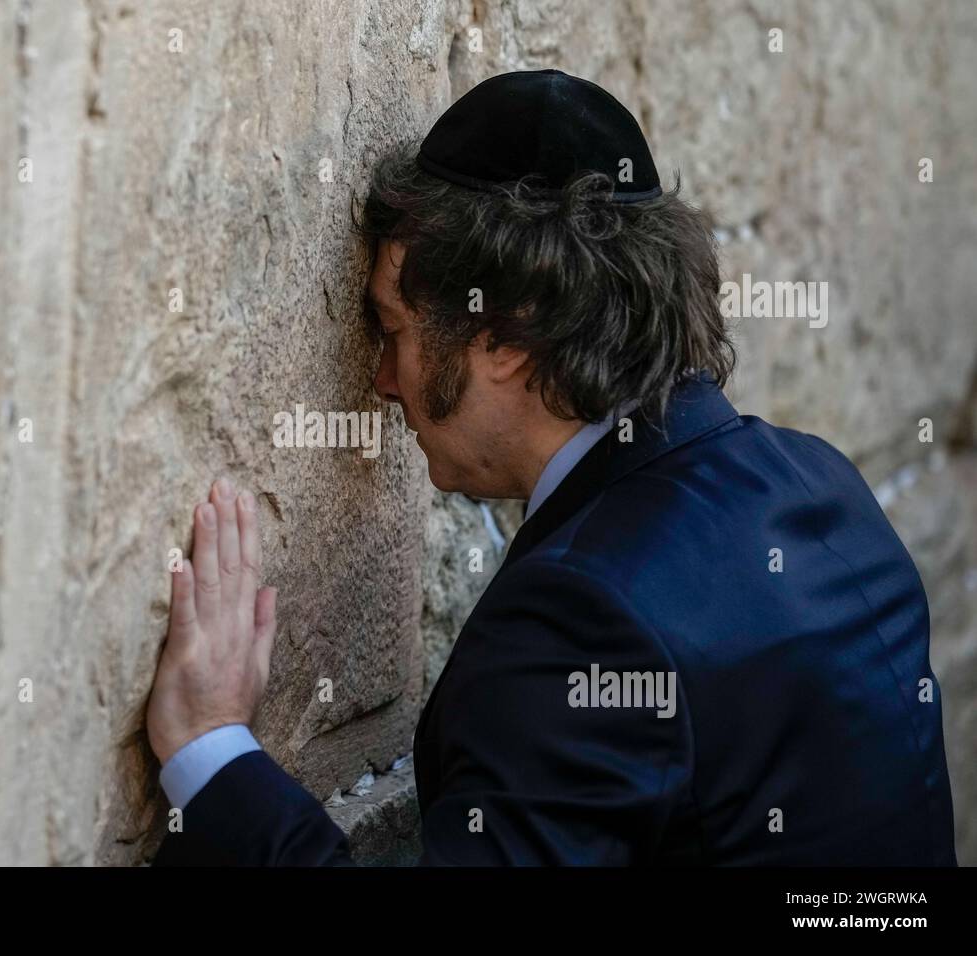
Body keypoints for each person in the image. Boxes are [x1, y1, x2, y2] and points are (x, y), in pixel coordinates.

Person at [145, 70, 957, 865]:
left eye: (394, 331)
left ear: (506, 337)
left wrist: (211, 751)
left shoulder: (585, 618)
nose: (384, 382)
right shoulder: (820, 482)